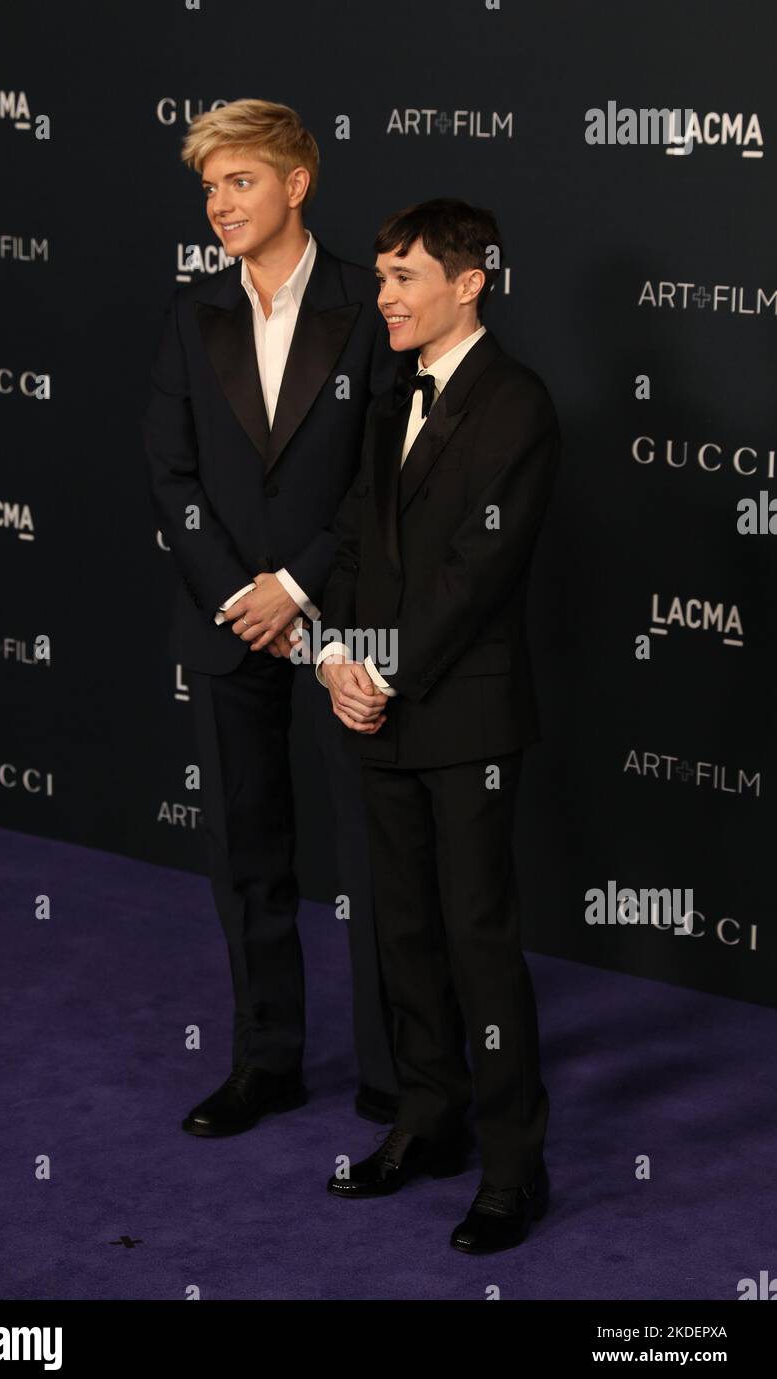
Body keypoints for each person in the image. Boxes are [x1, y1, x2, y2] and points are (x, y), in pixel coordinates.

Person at [142, 98, 400, 1139]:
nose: (218, 204)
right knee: (246, 845)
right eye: (209, 187)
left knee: (375, 851)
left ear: (298, 184)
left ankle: (397, 1078)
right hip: (224, 614)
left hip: (348, 612)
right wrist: (235, 594)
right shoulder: (192, 310)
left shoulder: (365, 299)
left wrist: (292, 586)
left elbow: (382, 472)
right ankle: (266, 1062)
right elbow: (169, 468)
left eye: (238, 181)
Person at [316, 198, 560, 1253]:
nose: (383, 299)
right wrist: (327, 655)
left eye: (402, 277)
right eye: (377, 280)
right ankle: (428, 1120)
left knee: (475, 941)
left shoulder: (516, 404)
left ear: (468, 281)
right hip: (373, 712)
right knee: (401, 930)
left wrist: (379, 664)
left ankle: (513, 1166)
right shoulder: (383, 400)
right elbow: (344, 547)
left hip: (463, 720)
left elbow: (473, 576)